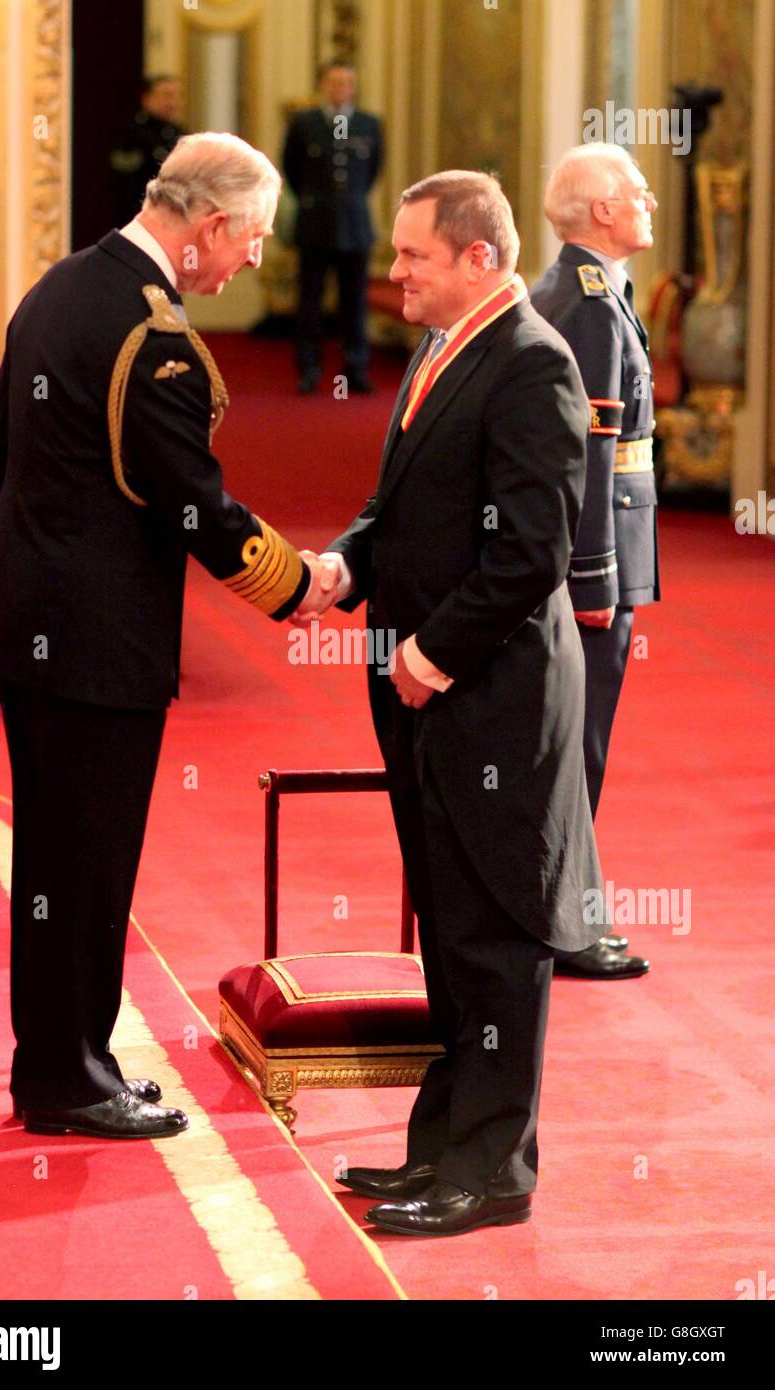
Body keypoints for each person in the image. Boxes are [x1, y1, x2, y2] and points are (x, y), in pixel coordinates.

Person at [0, 132, 339, 1141]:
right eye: (250, 238)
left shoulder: (61, 284)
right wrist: (299, 582)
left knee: (52, 861)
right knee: (83, 867)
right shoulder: (152, 333)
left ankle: (54, 1059)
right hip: (95, 645)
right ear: (210, 224)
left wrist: (13, 587)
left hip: (32, 623)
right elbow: (192, 506)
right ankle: (68, 1076)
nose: (252, 259)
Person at [292, 171, 603, 1237]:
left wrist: (431, 650)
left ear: (479, 258)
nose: (393, 274)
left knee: (493, 936)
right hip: (432, 698)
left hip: (493, 704)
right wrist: (342, 565)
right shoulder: (441, 349)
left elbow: (530, 554)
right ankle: (441, 1147)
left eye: (412, 256)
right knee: (450, 932)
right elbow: (398, 506)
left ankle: (493, 1170)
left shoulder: (531, 364)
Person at [531, 142, 659, 981]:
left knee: (579, 744)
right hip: (597, 563)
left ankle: (564, 911)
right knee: (580, 750)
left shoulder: (595, 291)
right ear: (603, 212)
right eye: (638, 192)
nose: (650, 199)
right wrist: (595, 578)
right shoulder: (586, 303)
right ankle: (569, 926)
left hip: (607, 552)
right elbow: (591, 449)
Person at [282, 60, 384, 394]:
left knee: (353, 301)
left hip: (355, 224)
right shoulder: (304, 123)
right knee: (309, 300)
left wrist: (347, 202)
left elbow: (372, 171)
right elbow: (292, 169)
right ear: (323, 85)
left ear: (353, 87)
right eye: (334, 82)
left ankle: (356, 368)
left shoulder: (370, 124)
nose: (340, 88)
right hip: (315, 222)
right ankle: (308, 370)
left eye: (346, 82)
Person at [111, 75, 185, 226]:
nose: (172, 103)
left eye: (176, 96)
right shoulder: (133, 133)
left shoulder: (178, 133)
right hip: (138, 212)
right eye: (166, 95)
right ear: (147, 99)